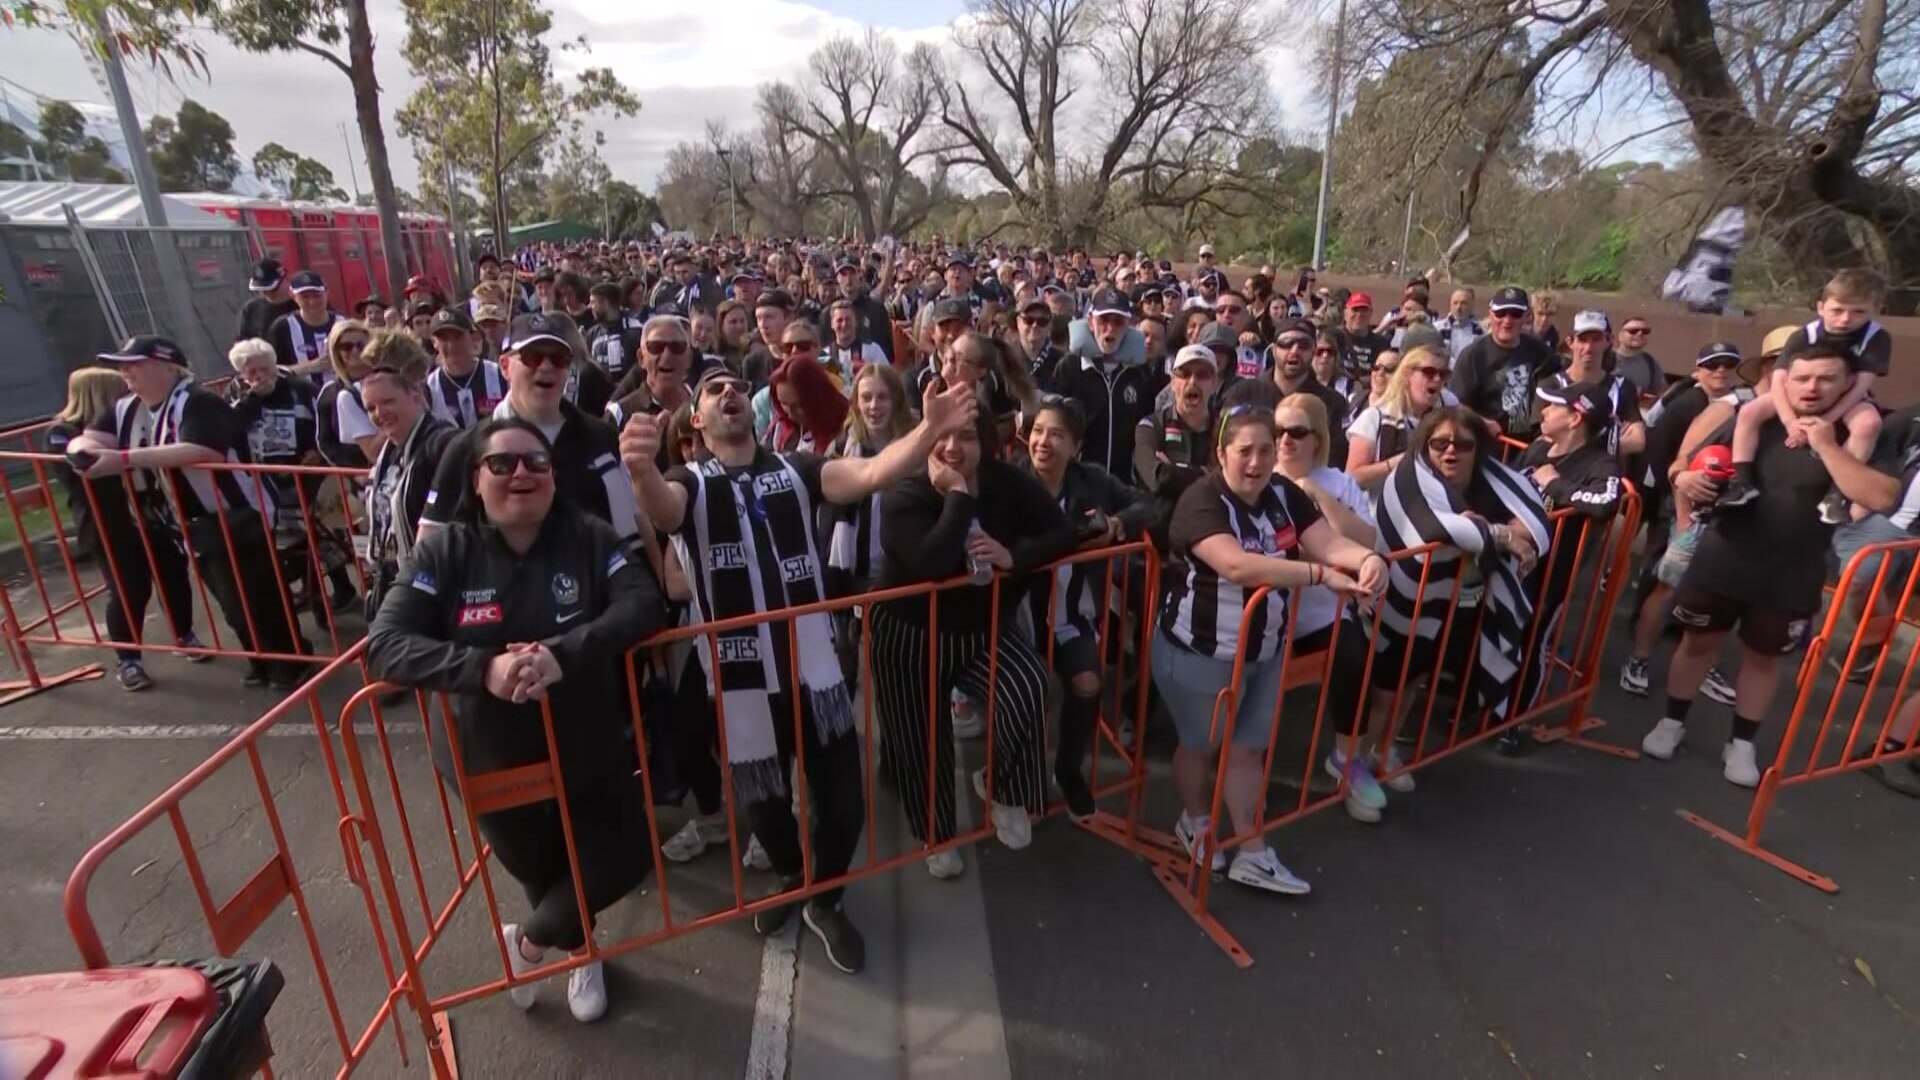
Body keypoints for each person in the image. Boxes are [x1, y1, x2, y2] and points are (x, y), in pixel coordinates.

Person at [620, 368, 980, 973]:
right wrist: (641, 471)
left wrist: (926, 432)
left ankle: (825, 898)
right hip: (740, 685)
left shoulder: (798, 467)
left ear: (754, 413)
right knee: (765, 805)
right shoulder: (688, 480)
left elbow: (867, 473)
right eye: (712, 390)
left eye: (736, 384)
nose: (728, 391)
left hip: (816, 674)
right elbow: (664, 507)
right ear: (698, 421)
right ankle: (792, 876)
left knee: (844, 805)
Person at [367, 417, 664, 1023]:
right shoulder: (445, 550)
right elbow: (385, 644)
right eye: (501, 464)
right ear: (476, 480)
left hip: (587, 740)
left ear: (554, 477)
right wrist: (485, 669)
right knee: (541, 867)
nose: (520, 473)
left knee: (625, 855)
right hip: (488, 755)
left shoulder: (588, 535)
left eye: (536, 462)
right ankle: (577, 952)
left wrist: (564, 653)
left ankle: (528, 945)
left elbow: (642, 602)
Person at [1154, 403, 1384, 887]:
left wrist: (1365, 560)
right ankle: (1194, 820)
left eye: (1265, 450)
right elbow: (1238, 566)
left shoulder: (1285, 493)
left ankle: (1251, 849)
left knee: (1248, 751)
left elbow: (1325, 541)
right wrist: (1322, 575)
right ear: (1221, 453)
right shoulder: (1201, 500)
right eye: (1245, 452)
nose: (1257, 462)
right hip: (1200, 651)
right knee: (1200, 745)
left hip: (1264, 649)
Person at [869, 405, 1078, 874]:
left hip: (980, 630)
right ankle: (936, 835)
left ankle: (1004, 788)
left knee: (1028, 685)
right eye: (940, 435)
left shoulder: (1005, 480)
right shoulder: (905, 492)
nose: (951, 447)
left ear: (984, 442)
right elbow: (931, 562)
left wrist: (1014, 555)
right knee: (921, 737)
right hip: (909, 633)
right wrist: (959, 495)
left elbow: (1062, 532)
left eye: (965, 436)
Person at [1645, 341, 1860, 787]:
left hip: (1792, 572)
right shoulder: (1745, 414)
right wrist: (1686, 479)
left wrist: (1826, 445)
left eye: (1826, 378)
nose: (1812, 387)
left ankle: (1741, 744)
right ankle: (1672, 722)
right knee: (1697, 643)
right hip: (1723, 557)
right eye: (1802, 376)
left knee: (1763, 660)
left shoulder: (1857, 430)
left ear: (1847, 383)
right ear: (1780, 373)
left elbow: (1878, 498)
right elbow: (1681, 465)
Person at [67, 335, 309, 689]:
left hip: (235, 515)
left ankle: (290, 662)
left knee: (257, 595)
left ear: (167, 366)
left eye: (135, 363)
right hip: (187, 522)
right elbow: (88, 436)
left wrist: (122, 459)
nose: (125, 371)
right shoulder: (127, 407)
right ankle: (262, 660)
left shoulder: (199, 401)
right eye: (123, 365)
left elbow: (204, 450)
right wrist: (83, 451)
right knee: (230, 601)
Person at [1346, 405, 1551, 818]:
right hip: (1398, 604)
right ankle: (1353, 772)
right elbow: (1433, 527)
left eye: (1463, 444)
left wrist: (1495, 531)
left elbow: (1533, 516)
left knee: (1414, 681)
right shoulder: (1408, 477)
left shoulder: (1492, 483)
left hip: (1450, 605)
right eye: (1439, 443)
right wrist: (1493, 533)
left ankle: (1384, 753)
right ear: (1425, 445)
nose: (1451, 452)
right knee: (1384, 690)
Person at [1020, 396, 1155, 818]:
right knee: (1026, 695)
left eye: (1056, 435)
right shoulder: (1011, 480)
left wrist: (1118, 524)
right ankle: (1021, 779)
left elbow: (1145, 504)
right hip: (1017, 617)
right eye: (1038, 431)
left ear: (1076, 447)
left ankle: (1068, 770)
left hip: (1071, 616)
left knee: (1087, 683)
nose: (1043, 442)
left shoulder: (1091, 479)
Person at [47, 366, 209, 691]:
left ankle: (184, 634)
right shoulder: (62, 432)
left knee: (173, 573)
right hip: (108, 521)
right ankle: (128, 660)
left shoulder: (129, 423)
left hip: (150, 513)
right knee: (128, 588)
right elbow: (78, 468)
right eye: (119, 389)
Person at [422, 314, 640, 552]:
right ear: (505, 366)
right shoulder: (466, 449)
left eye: (558, 359)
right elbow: (429, 543)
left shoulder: (600, 437)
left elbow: (632, 535)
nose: (546, 366)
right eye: (532, 357)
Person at [1720, 269, 1890, 524]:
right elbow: (1779, 380)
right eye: (1838, 310)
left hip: (1847, 395)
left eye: (1858, 312)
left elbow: (1860, 386)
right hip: (1796, 394)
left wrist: (1827, 421)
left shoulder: (1876, 338)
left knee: (1869, 424)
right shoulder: (1804, 334)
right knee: (1749, 411)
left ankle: (1838, 495)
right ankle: (1741, 481)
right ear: (1821, 307)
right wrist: (1791, 424)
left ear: (1876, 309)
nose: (1845, 319)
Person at [228, 338, 358, 619]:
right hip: (266, 482)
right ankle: (305, 592)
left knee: (320, 533)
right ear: (242, 375)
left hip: (308, 475)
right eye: (251, 372)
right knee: (285, 541)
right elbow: (230, 430)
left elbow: (326, 424)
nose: (260, 376)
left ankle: (341, 588)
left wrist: (316, 452)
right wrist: (251, 398)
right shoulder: (237, 397)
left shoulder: (300, 390)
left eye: (265, 368)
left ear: (275, 366)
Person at [360, 367, 459, 619]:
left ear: (416, 397)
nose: (379, 414)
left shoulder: (443, 444)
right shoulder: (390, 451)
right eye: (371, 408)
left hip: (433, 585)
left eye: (388, 401)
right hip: (392, 576)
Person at [1041, 288, 1158, 479]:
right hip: (1078, 480)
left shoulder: (1139, 373)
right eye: (1104, 320)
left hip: (1125, 483)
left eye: (1118, 322)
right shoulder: (1070, 367)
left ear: (1128, 326)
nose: (1110, 329)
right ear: (1090, 322)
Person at [1450, 286, 1559, 441]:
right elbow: (1454, 404)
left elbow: (1556, 395)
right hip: (1486, 441)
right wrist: (1481, 421)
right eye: (1500, 314)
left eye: (1515, 314)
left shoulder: (1541, 353)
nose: (1507, 321)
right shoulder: (1473, 355)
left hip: (1531, 443)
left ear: (1527, 316)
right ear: (1490, 315)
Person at [1541, 311, 1644, 457]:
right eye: (1582, 340)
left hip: (1604, 474)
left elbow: (1638, 441)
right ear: (1570, 342)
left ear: (1609, 341)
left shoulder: (1623, 387)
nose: (1589, 348)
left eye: (1596, 339)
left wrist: (1570, 439)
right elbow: (1542, 439)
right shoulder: (1551, 385)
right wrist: (1611, 440)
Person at [1267, 318, 1349, 465]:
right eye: (1286, 343)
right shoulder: (1246, 393)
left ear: (1313, 351)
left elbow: (1337, 459)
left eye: (1303, 345)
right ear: (1273, 350)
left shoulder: (1333, 402)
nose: (1294, 351)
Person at [423, 308, 509, 430]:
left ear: (473, 337)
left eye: (457, 337)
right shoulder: (430, 387)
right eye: (444, 339)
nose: (452, 345)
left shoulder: (498, 374)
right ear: (434, 343)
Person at [765, 351, 850, 455]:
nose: (791, 414)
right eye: (784, 404)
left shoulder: (847, 431)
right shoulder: (779, 430)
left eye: (798, 406)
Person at [268, 271, 345, 378]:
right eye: (305, 297)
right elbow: (269, 371)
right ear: (292, 295)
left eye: (317, 295)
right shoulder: (283, 327)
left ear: (327, 292)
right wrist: (312, 366)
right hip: (301, 393)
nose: (312, 302)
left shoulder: (342, 324)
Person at [235, 258, 297, 343]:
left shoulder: (301, 304)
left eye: (271, 289)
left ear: (285, 279)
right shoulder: (251, 309)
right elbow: (241, 343)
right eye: (261, 289)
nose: (265, 293)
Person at [1337, 292, 1390, 377]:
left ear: (1371, 313)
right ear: (1345, 312)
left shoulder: (1381, 343)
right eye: (1355, 310)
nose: (1359, 315)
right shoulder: (1334, 337)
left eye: (1364, 310)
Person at [1612, 315, 1666, 398]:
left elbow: (1662, 393)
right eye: (1633, 331)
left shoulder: (1650, 363)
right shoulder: (1603, 358)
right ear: (1620, 336)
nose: (1640, 334)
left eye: (1645, 331)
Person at [1431, 288, 1482, 361]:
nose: (1458, 307)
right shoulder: (1437, 328)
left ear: (1472, 305)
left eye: (1463, 303)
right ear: (1450, 306)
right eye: (1455, 303)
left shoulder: (1481, 330)